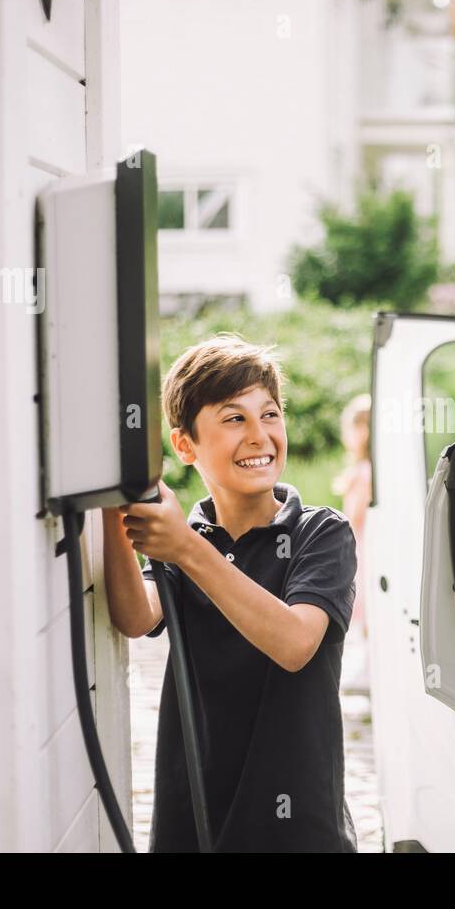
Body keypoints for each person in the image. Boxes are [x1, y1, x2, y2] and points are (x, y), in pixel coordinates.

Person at [100, 333, 358, 852]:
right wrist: (114, 503)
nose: (260, 435)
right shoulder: (189, 537)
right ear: (185, 445)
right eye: (234, 418)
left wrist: (186, 550)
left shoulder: (320, 534)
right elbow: (136, 616)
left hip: (295, 824)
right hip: (194, 817)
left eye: (270, 414)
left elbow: (294, 644)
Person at [332, 394, 372, 640]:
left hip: (363, 549)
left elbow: (353, 518)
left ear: (362, 430)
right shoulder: (371, 469)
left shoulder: (362, 473)